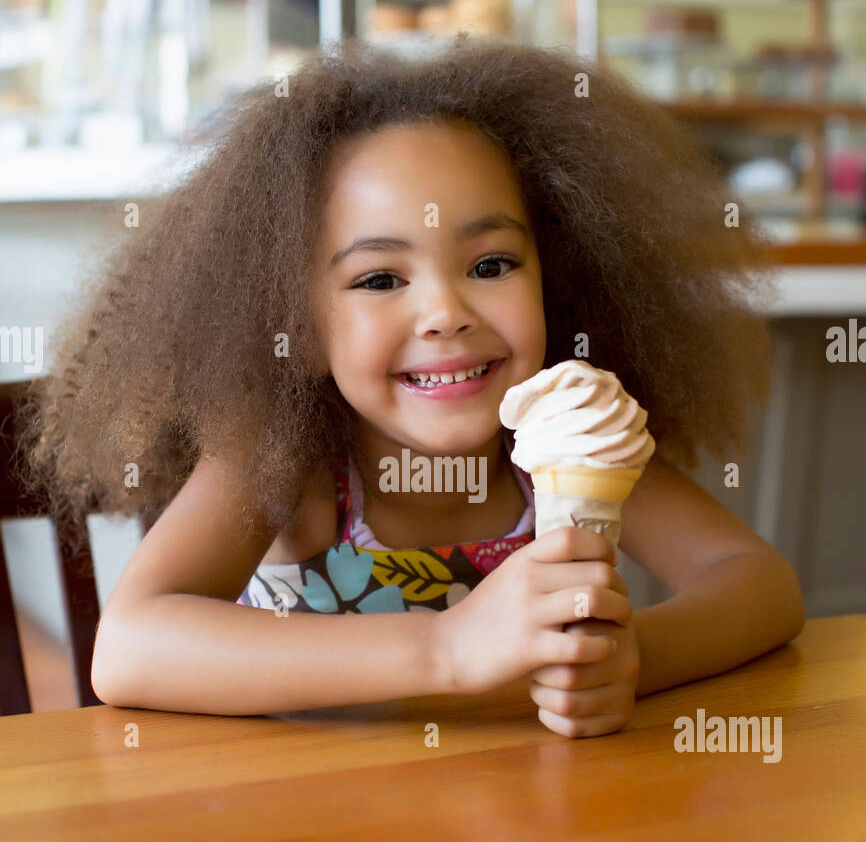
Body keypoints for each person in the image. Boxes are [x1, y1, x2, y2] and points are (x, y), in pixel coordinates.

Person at [17, 39, 804, 735]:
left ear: (554, 278)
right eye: (380, 277)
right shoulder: (288, 460)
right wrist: (447, 649)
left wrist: (624, 659)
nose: (445, 314)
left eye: (491, 265)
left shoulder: (564, 441)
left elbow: (761, 585)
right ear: (299, 320)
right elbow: (128, 649)